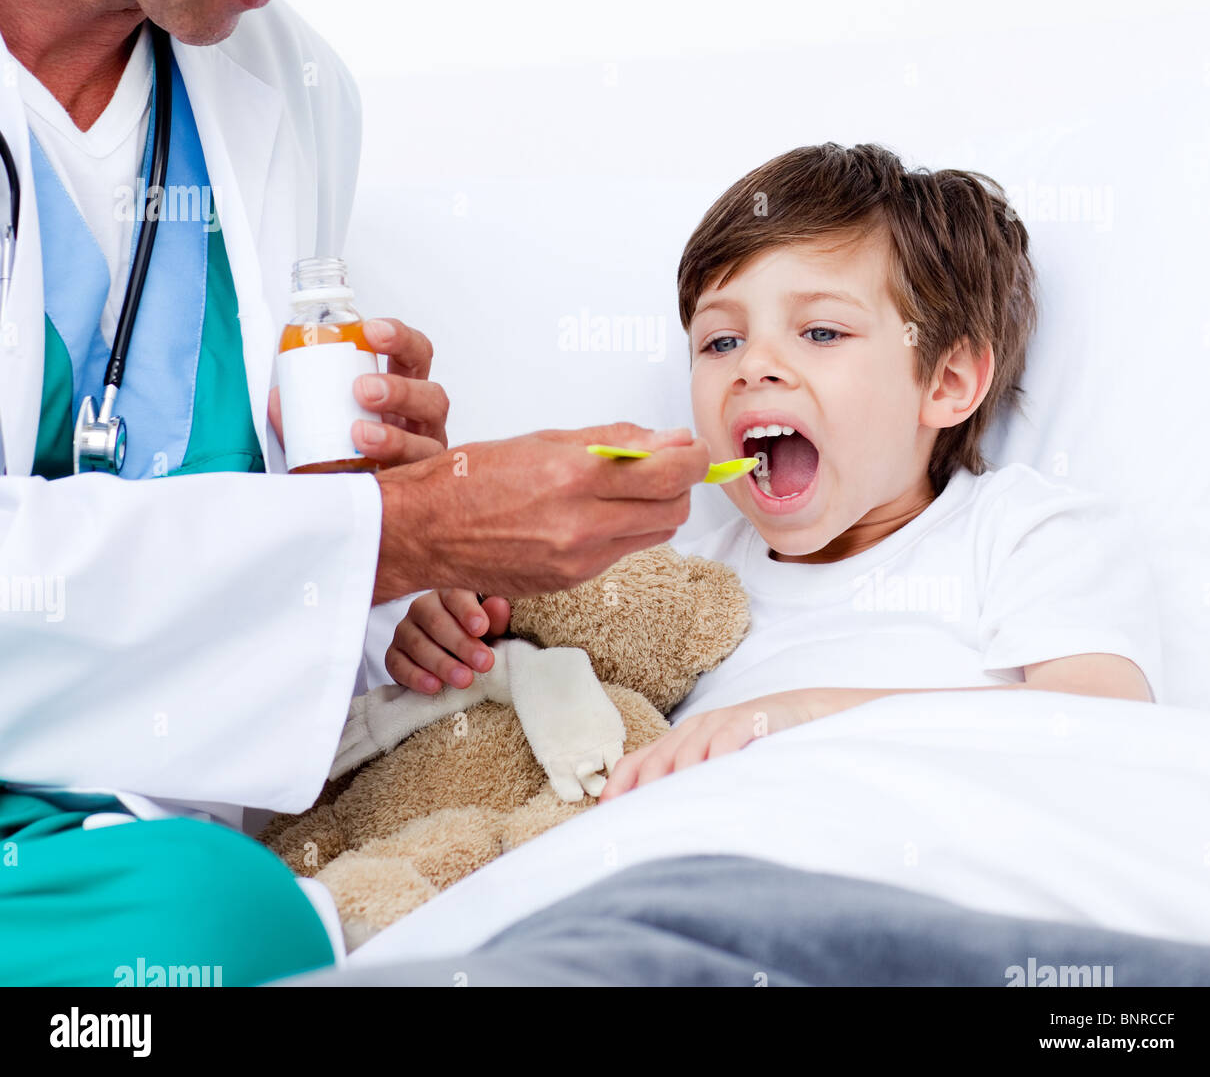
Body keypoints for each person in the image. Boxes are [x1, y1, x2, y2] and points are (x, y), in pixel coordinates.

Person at [0, 0, 708, 986]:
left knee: (212, 920)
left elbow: (239, 525)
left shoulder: (291, 88)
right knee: (212, 936)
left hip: (119, 819)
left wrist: (365, 532)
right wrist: (405, 529)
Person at [396, 143, 1160, 801]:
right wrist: (456, 634)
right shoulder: (674, 589)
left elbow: (1100, 729)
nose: (755, 364)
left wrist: (798, 716)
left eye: (821, 331)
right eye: (721, 342)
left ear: (947, 381)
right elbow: (545, 705)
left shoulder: (1026, 532)